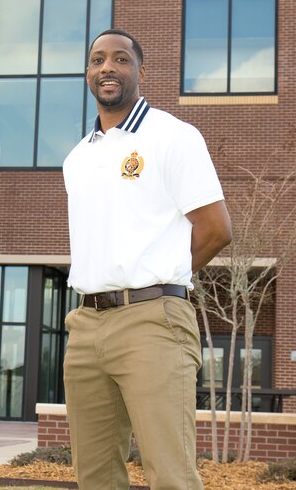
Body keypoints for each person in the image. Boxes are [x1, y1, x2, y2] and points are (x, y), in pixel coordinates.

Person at [62, 29, 232, 489]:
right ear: (88, 73)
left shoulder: (172, 136)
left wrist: (159, 274)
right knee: (95, 476)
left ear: (141, 70)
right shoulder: (77, 158)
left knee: (170, 474)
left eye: (120, 59)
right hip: (86, 324)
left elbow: (217, 230)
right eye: (97, 60)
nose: (107, 68)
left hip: (153, 320)